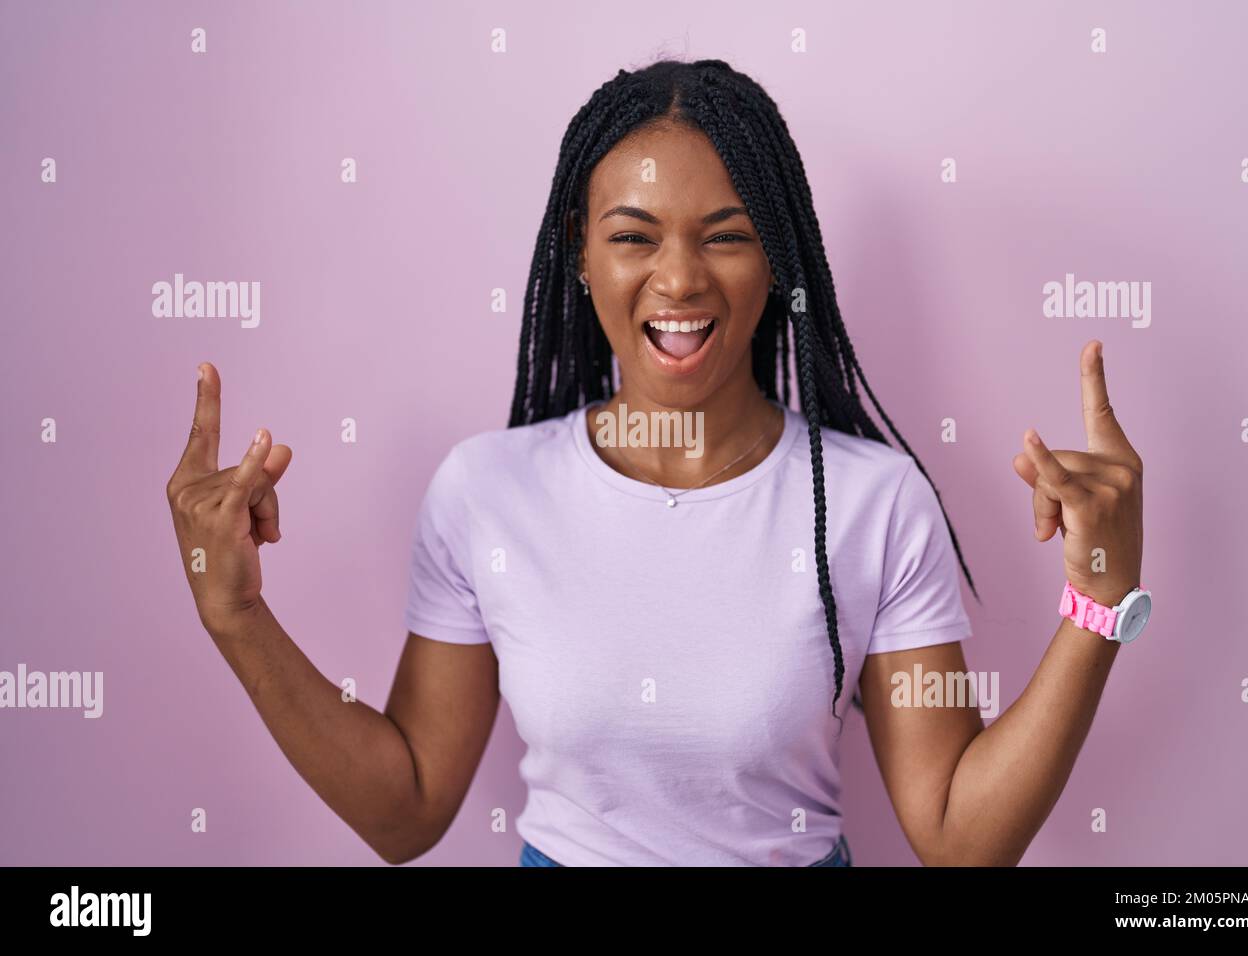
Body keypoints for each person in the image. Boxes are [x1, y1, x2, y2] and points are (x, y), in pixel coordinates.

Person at [165, 59, 1145, 867]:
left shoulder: (871, 502)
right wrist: (235, 612)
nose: (678, 279)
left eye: (726, 238)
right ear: (581, 255)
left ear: (778, 263)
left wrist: (1098, 599)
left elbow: (959, 834)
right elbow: (407, 805)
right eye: (633, 237)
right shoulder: (486, 493)